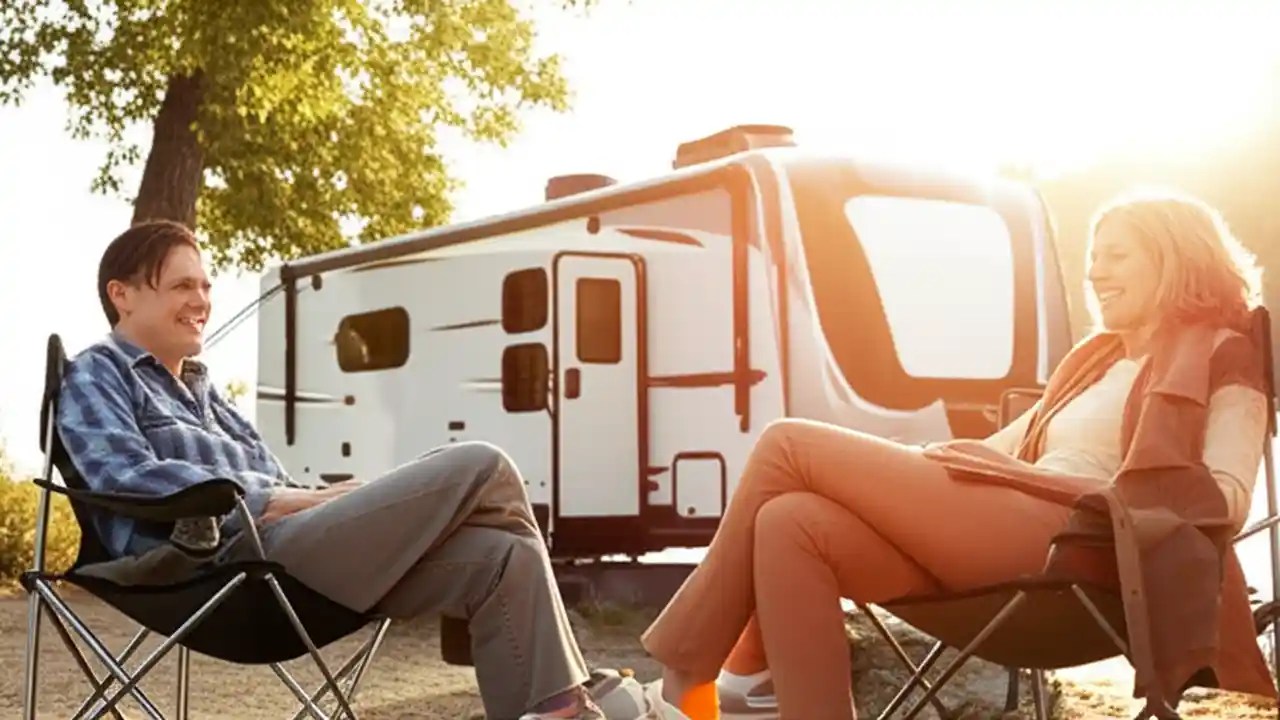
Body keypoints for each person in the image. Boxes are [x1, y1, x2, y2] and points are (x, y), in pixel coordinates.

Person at [632, 189, 1275, 719]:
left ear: (1173, 258)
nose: (1095, 273)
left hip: (1079, 549)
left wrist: (1136, 496)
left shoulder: (1226, 352)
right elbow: (995, 453)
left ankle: (691, 680)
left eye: (1116, 255)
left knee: (786, 444)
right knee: (792, 521)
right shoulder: (1093, 362)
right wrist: (887, 472)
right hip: (1002, 520)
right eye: (1092, 259)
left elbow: (1228, 494)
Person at [55, 219, 646, 720]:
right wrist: (281, 501)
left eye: (206, 285)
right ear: (122, 294)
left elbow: (278, 479)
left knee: (502, 556)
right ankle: (579, 690)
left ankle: (558, 706)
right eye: (183, 285)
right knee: (483, 463)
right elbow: (121, 478)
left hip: (285, 559)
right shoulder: (96, 374)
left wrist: (310, 499)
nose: (203, 300)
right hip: (215, 569)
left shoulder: (205, 390)